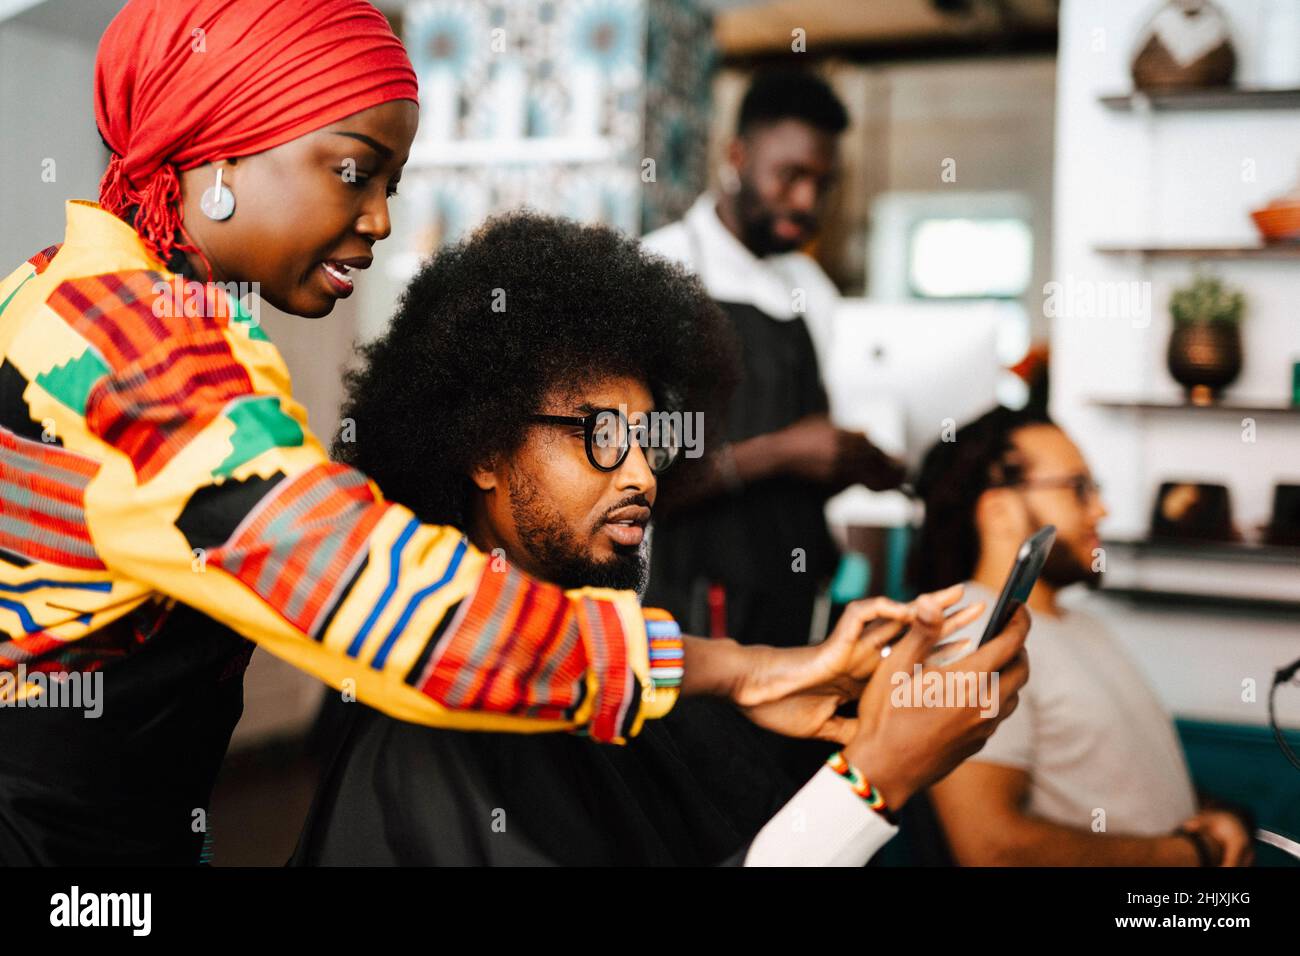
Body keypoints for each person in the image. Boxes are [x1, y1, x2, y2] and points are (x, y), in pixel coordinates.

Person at [0, 0, 896, 866]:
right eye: (354, 170)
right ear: (223, 145)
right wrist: (742, 675)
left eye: (393, 184)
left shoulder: (63, 289)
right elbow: (397, 606)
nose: (382, 220)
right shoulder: (137, 349)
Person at [291, 213, 1030, 866]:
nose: (644, 475)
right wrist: (873, 780)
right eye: (604, 436)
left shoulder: (624, 683)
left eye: (649, 441)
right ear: (485, 449)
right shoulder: (431, 733)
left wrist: (774, 675)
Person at [911, 406, 1254, 866]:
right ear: (998, 512)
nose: (1102, 508)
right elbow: (991, 849)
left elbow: (1126, 779)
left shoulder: (1082, 626)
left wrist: (1218, 816)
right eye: (1078, 488)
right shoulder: (971, 633)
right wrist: (1194, 854)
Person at [641, 68, 904, 653]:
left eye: (823, 183)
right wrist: (783, 452)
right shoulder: (657, 272)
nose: (807, 201)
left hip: (794, 599)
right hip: (688, 604)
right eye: (790, 177)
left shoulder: (811, 287)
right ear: (737, 157)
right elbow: (630, 475)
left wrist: (850, 460)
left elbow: (814, 440)